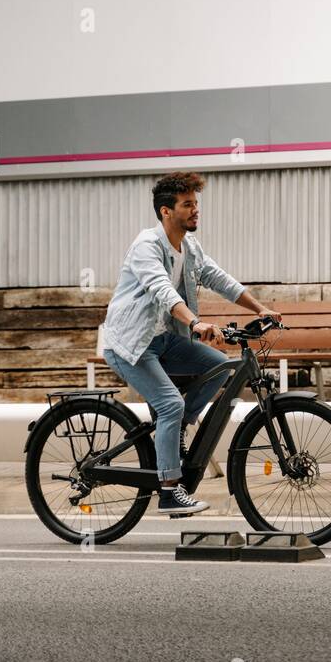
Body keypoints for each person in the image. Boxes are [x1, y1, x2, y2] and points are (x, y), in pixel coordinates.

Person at [100, 172, 282, 515]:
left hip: (164, 340)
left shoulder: (189, 246)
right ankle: (169, 490)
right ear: (166, 212)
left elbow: (218, 278)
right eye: (187, 205)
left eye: (196, 203)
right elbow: (162, 289)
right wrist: (196, 323)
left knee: (218, 366)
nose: (195, 210)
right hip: (131, 345)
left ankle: (179, 427)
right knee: (170, 404)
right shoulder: (146, 246)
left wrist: (260, 308)